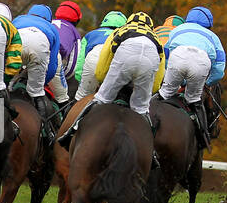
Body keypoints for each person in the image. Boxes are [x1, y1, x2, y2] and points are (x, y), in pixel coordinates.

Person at [58, 12, 165, 144]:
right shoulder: (156, 38)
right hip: (150, 59)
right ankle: (151, 150)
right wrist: (147, 89)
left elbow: (105, 60)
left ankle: (71, 131)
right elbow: (158, 75)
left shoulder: (121, 30)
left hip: (125, 56)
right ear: (151, 26)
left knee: (102, 99)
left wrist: (104, 80)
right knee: (141, 108)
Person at [160, 6, 223, 147]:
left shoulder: (176, 30)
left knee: (164, 94)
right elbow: (219, 69)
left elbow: (165, 57)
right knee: (193, 99)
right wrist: (207, 82)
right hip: (201, 64)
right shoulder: (214, 37)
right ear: (209, 25)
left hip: (176, 59)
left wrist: (175, 79)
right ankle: (203, 137)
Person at [11, 4, 63, 147]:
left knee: (1, 86)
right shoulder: (52, 28)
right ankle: (47, 134)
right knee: (36, 92)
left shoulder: (19, 19)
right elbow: (52, 65)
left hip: (17, 44)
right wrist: (42, 82)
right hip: (39, 47)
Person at [75, 10, 127, 95]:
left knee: (81, 96)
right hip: (114, 67)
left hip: (92, 62)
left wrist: (80, 79)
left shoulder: (90, 34)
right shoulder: (125, 35)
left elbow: (80, 61)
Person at [50, 1, 82, 107]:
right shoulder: (75, 33)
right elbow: (73, 65)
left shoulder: (49, 22)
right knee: (63, 101)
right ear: (77, 20)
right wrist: (65, 78)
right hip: (55, 61)